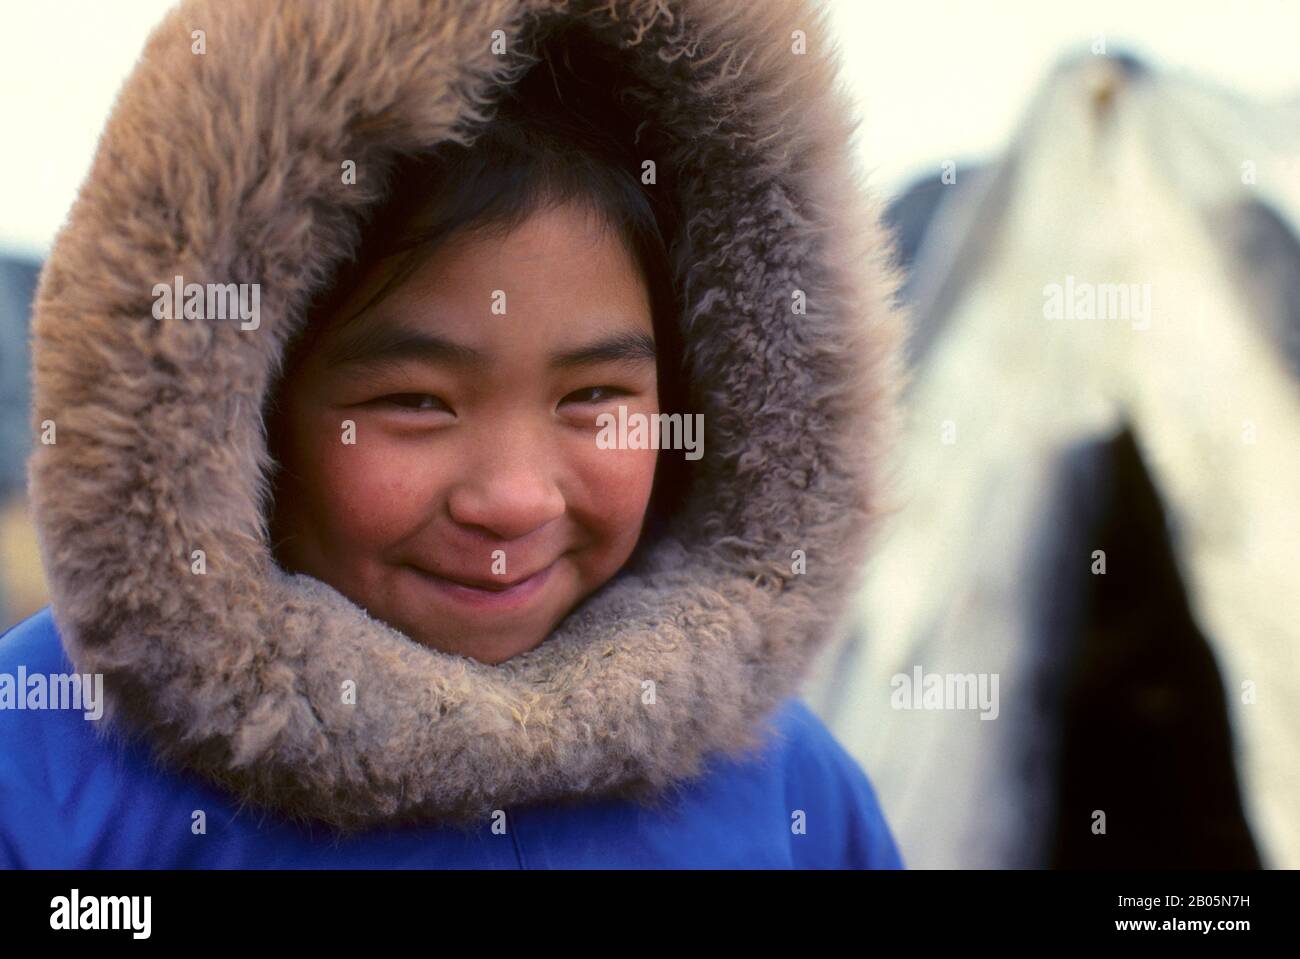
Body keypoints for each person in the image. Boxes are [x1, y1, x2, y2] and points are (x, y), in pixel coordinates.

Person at [1, 0, 907, 868]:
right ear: (243, 410)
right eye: (417, 402)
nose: (514, 499)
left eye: (593, 395)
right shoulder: (42, 769)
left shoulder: (788, 788)